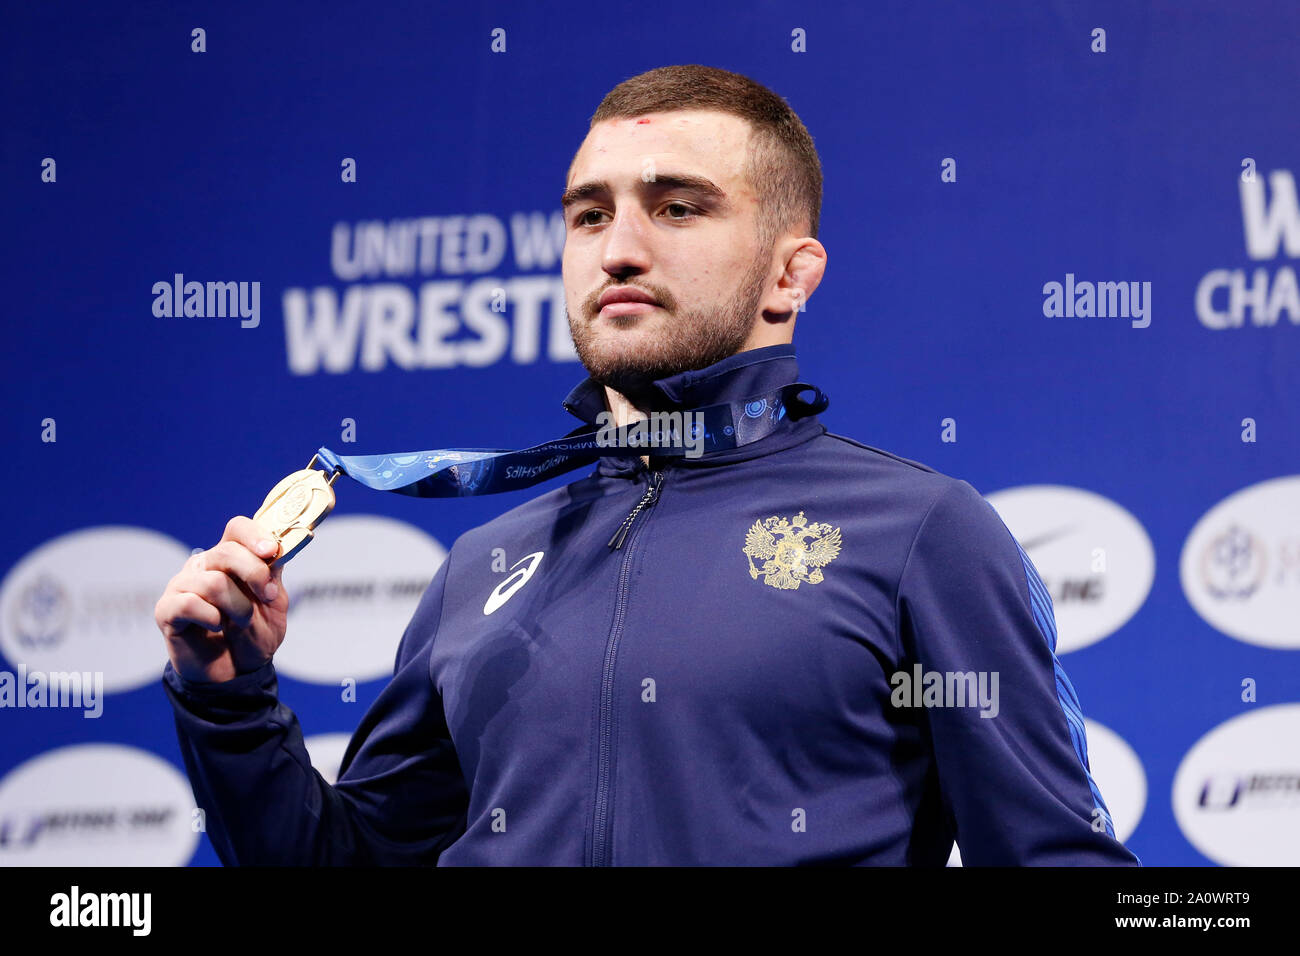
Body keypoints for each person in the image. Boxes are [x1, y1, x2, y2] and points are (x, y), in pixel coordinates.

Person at [154, 64, 1140, 866]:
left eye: (676, 207)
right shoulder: (483, 566)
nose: (618, 248)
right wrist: (229, 700)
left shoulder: (919, 531)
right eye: (588, 215)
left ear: (791, 274)